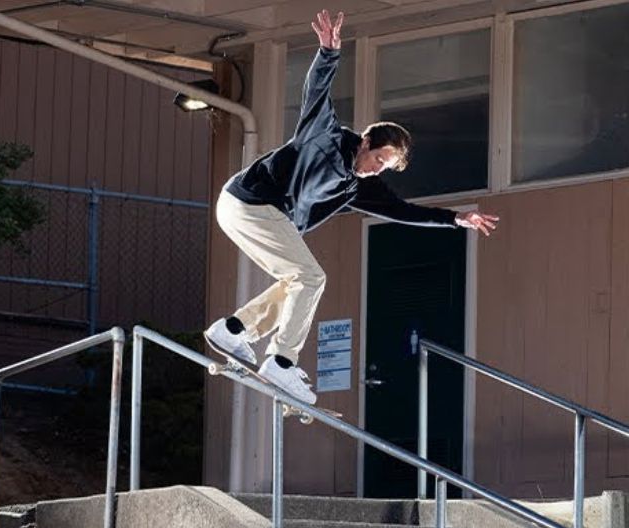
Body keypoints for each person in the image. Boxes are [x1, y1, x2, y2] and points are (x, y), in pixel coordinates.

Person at [204, 9, 500, 405]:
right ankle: (281, 362)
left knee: (297, 282)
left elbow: (404, 211)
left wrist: (456, 219)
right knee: (311, 278)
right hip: (251, 201)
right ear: (365, 143)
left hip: (249, 210)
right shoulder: (324, 136)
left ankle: (235, 330)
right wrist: (328, 54)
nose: (376, 170)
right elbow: (316, 94)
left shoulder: (359, 188)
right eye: (378, 160)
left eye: (387, 168)